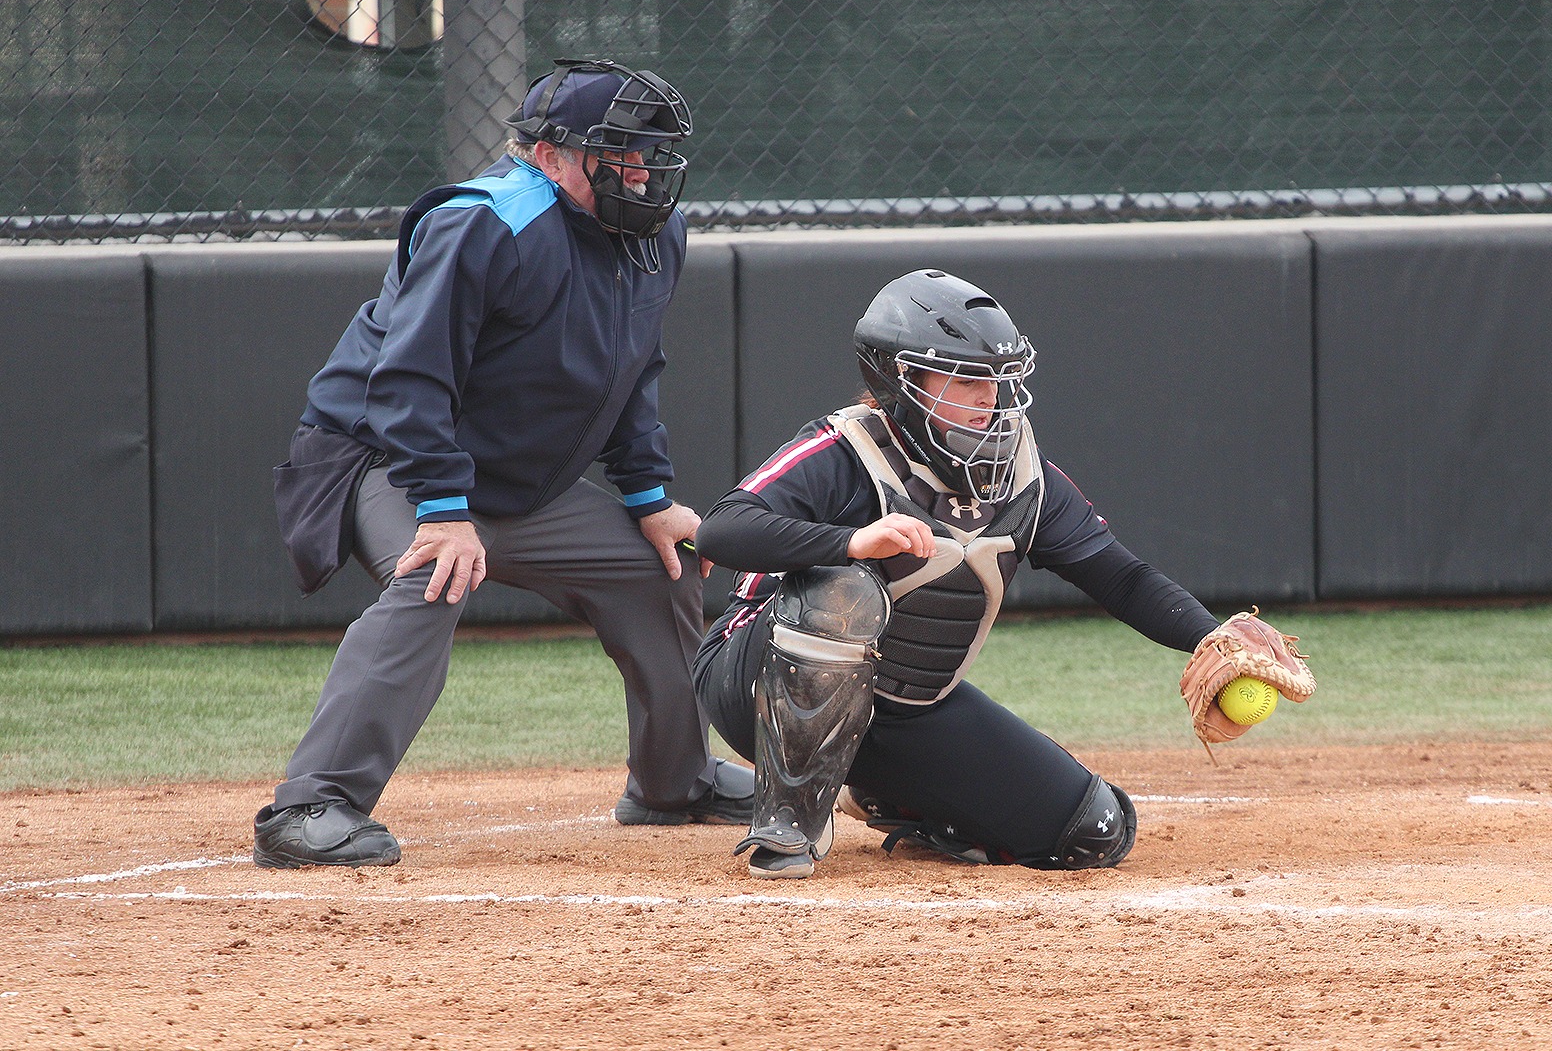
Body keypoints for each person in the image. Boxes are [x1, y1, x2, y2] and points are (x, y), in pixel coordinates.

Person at [255, 59, 751, 869]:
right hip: (387, 459)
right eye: (619, 152)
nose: (642, 171)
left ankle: (674, 783)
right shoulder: (485, 222)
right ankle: (311, 805)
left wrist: (649, 496)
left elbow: (632, 369)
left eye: (651, 152)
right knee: (432, 575)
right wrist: (444, 513)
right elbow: (410, 380)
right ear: (548, 154)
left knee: (657, 568)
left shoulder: (656, 231)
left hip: (519, 483)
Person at [692, 268, 1237, 880]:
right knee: (841, 592)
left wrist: (1212, 638)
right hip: (756, 685)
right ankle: (787, 828)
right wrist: (849, 542)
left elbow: (1120, 577)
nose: (990, 398)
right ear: (900, 379)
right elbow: (722, 529)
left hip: (904, 707)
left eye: (997, 380)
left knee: (1093, 832)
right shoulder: (845, 452)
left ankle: (895, 797)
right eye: (965, 378)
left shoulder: (1022, 477)